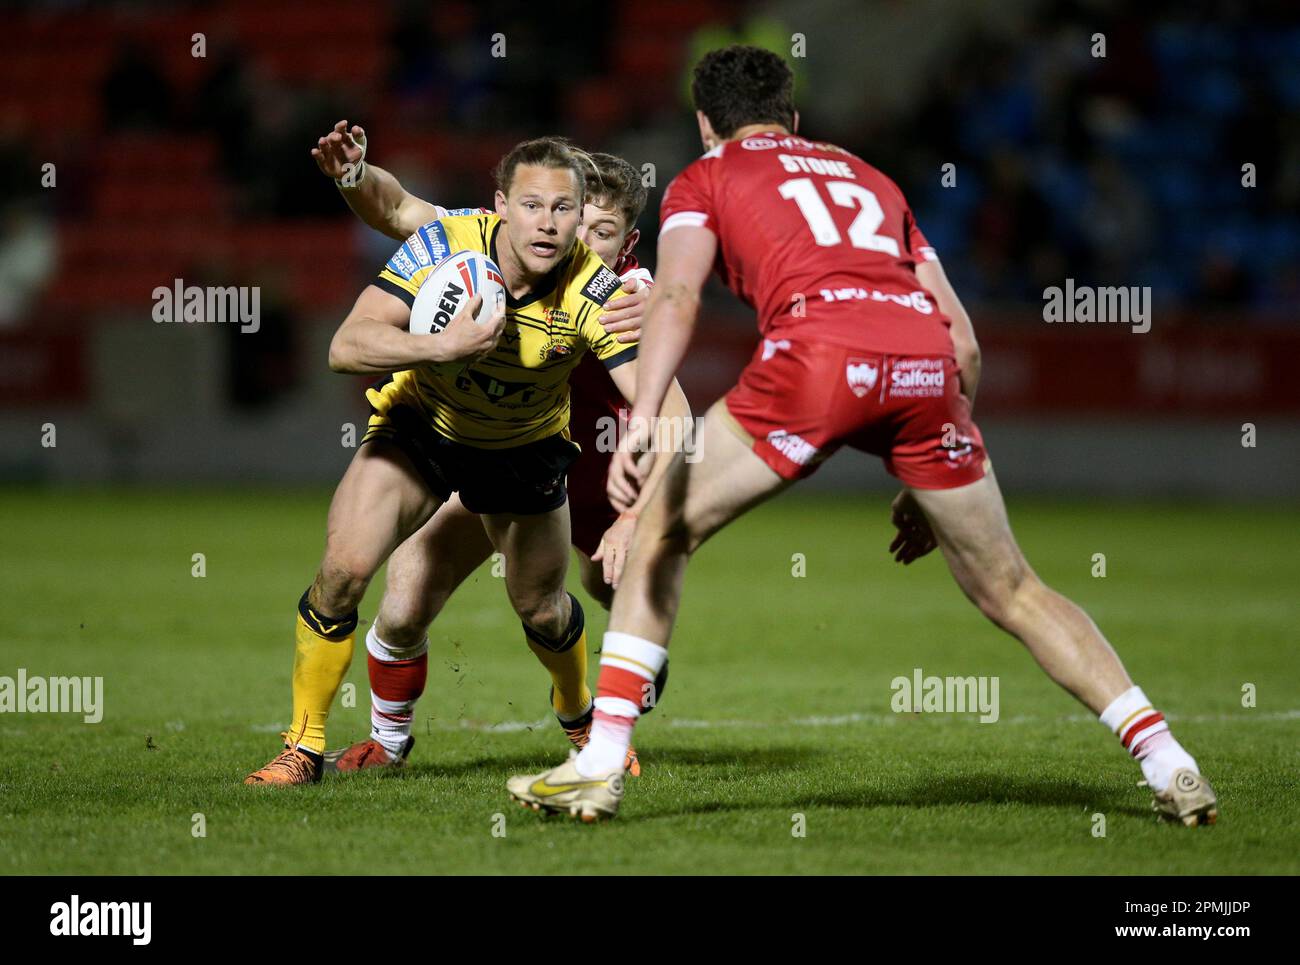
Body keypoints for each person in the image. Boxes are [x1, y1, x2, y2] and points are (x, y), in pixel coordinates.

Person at [507, 46, 1217, 827]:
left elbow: (675, 295)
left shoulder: (703, 177)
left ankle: (600, 763)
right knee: (1013, 587)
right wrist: (926, 467)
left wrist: (644, 422)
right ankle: (1169, 760)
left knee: (659, 534)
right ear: (795, 118)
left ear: (705, 123)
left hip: (817, 357)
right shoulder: (869, 178)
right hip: (924, 365)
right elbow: (965, 341)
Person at [246, 137, 687, 785]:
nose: (553, 224)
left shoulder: (602, 291)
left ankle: (579, 713)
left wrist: (635, 517)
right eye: (534, 205)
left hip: (527, 448)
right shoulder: (450, 244)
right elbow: (347, 340)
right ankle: (305, 746)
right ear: (502, 206)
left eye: (568, 212)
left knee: (542, 605)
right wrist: (439, 344)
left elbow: (672, 411)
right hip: (424, 426)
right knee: (347, 572)